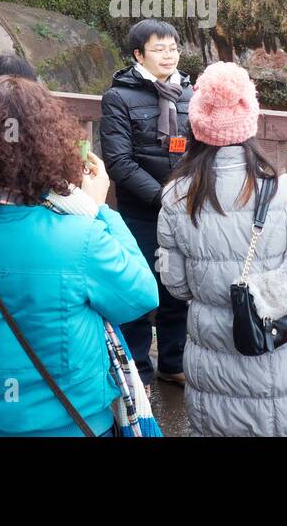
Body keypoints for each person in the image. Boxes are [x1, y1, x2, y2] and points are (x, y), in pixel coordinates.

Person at [0, 77, 158, 436]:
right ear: (50, 147)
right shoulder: (80, 236)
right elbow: (141, 295)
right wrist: (98, 211)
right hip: (70, 424)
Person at [157, 63, 287, 436]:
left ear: (197, 125)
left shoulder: (175, 196)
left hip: (209, 363)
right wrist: (267, 293)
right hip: (275, 355)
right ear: (248, 121)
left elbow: (176, 286)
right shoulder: (281, 192)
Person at [100, 19, 194, 387]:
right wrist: (162, 197)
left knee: (178, 288)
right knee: (137, 286)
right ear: (138, 54)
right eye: (159, 49)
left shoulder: (190, 92)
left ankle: (173, 362)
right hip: (141, 212)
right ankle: (136, 368)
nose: (168, 56)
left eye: (173, 48)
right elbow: (119, 162)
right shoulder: (119, 97)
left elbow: (200, 149)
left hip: (185, 209)